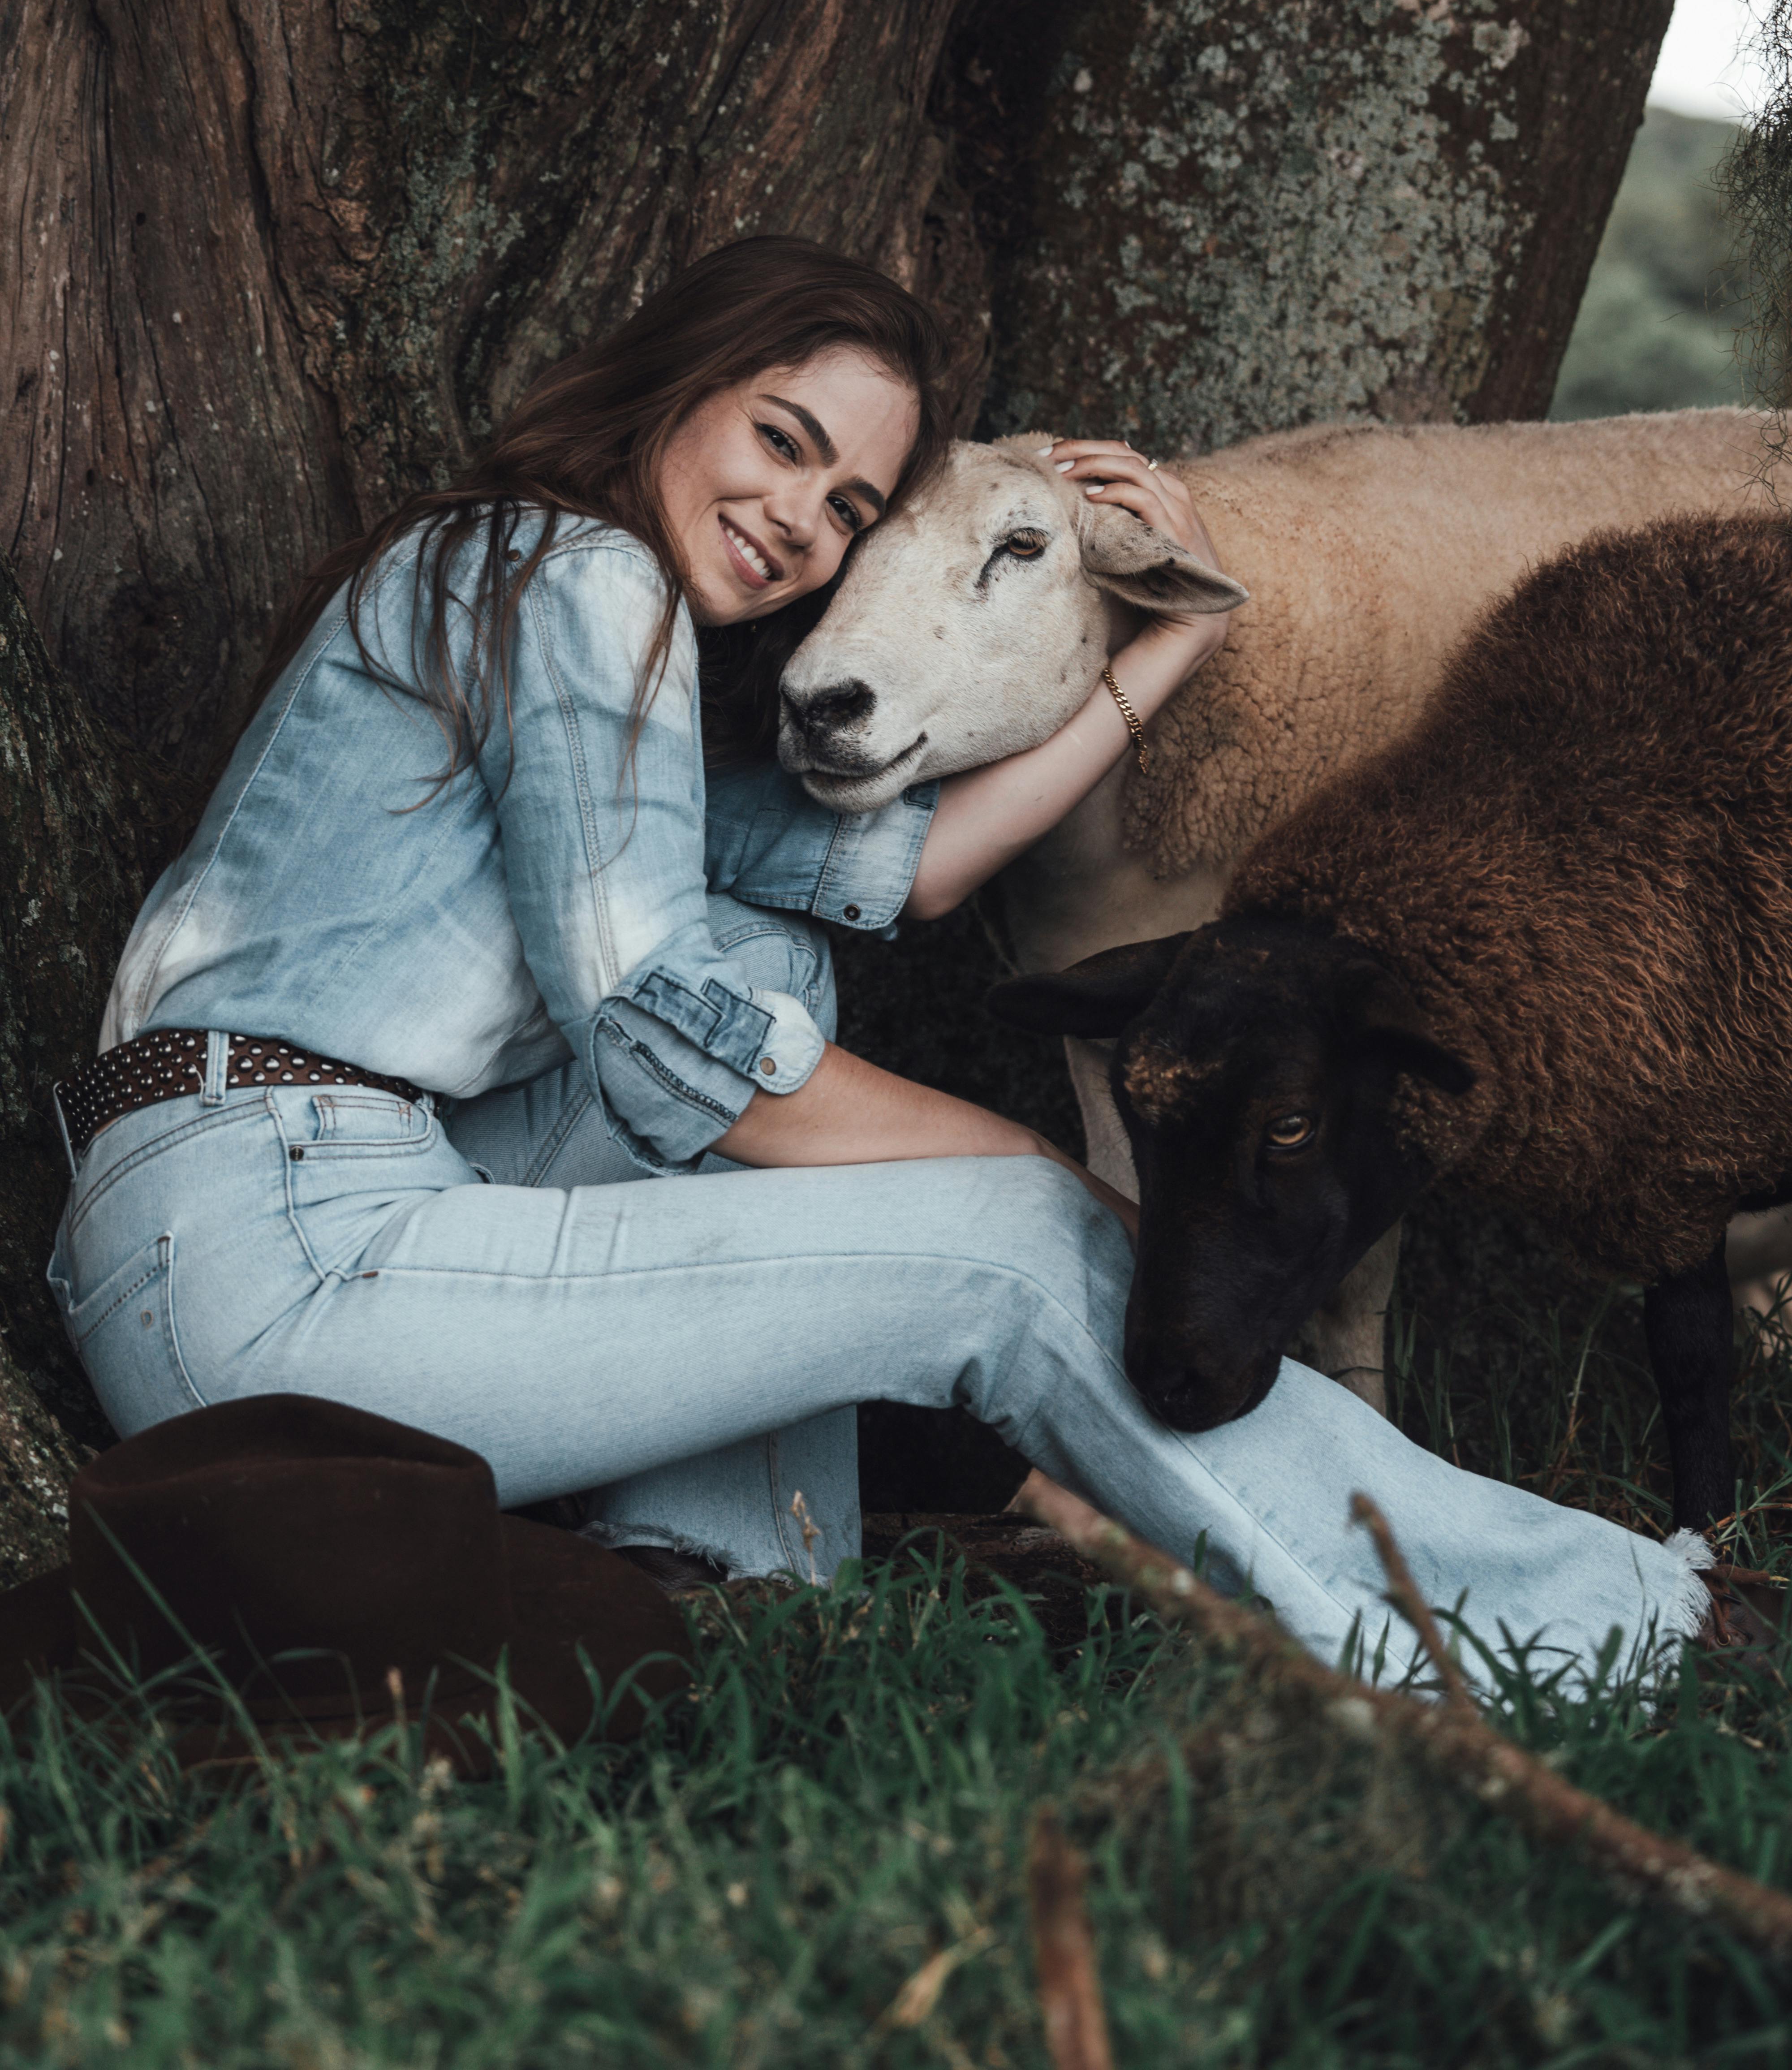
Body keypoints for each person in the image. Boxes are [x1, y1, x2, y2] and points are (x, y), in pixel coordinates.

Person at [48, 237, 1711, 1691]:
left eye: (847, 507)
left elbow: (904, 871)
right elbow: (660, 1050)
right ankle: (1601, 1627)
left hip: (277, 1214)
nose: (797, 521)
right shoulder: (570, 575)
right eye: (781, 443)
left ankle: (741, 1595)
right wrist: (1065, 1192)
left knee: (777, 957)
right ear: (679, 384)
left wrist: (1182, 624)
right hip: (270, 1252)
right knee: (995, 1244)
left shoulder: (560, 625)